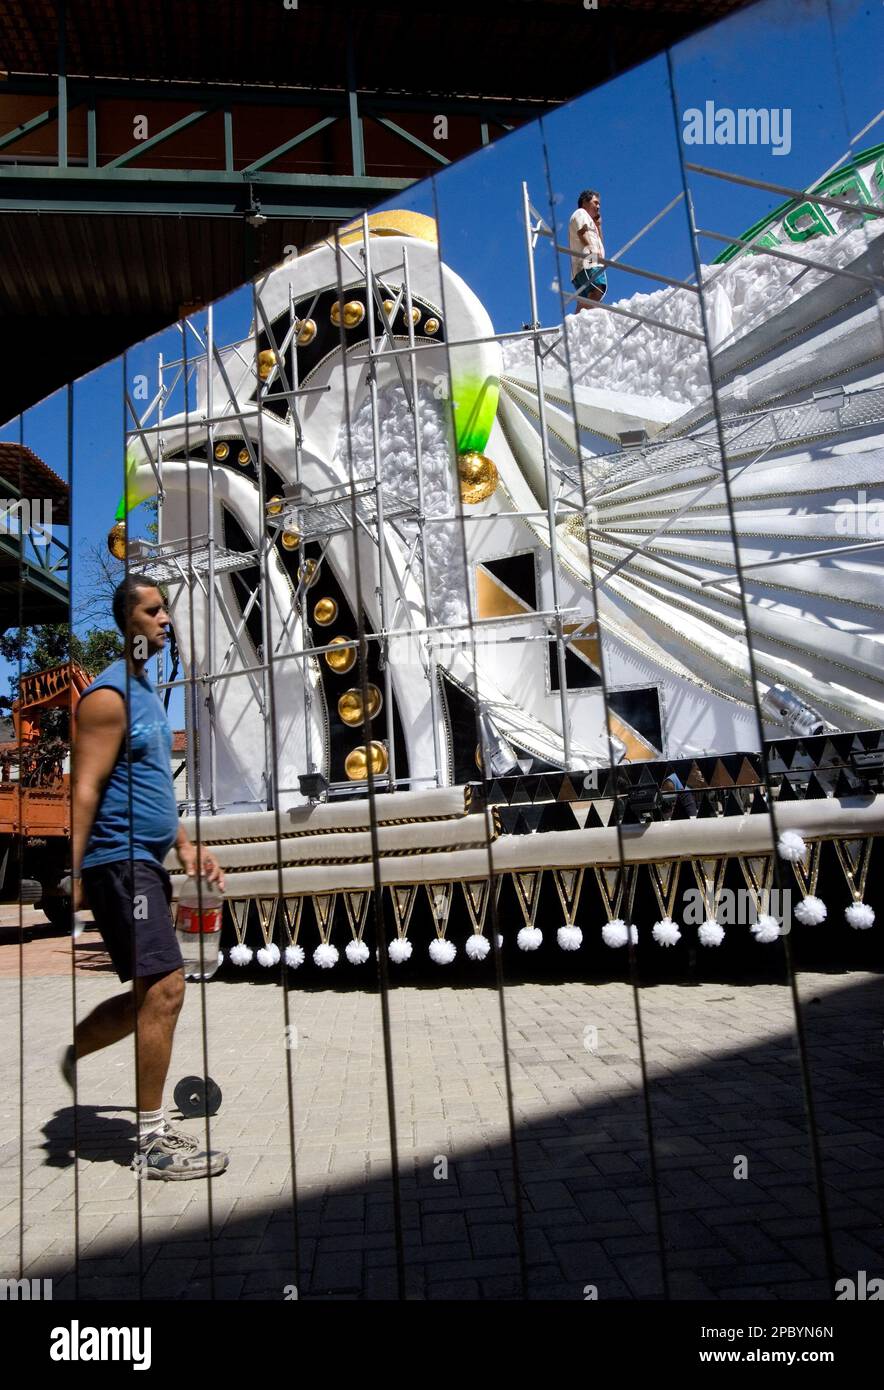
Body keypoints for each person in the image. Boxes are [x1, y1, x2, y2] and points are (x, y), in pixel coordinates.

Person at [61, 573, 229, 1181]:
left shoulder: (149, 691)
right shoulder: (107, 698)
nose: (165, 620)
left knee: (148, 991)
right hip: (117, 860)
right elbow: (83, 786)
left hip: (147, 861)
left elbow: (156, 785)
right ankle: (152, 1141)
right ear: (128, 621)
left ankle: (78, 1044)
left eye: (166, 611)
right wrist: (75, 871)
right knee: (166, 988)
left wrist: (185, 846)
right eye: (154, 611)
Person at [569, 189, 607, 311]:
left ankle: (576, 324)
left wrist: (598, 225)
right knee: (597, 289)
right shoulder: (581, 213)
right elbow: (582, 232)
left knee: (586, 299)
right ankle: (579, 322)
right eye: (595, 202)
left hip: (589, 262)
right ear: (585, 202)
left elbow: (600, 242)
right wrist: (592, 251)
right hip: (588, 261)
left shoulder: (590, 222)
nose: (598, 206)